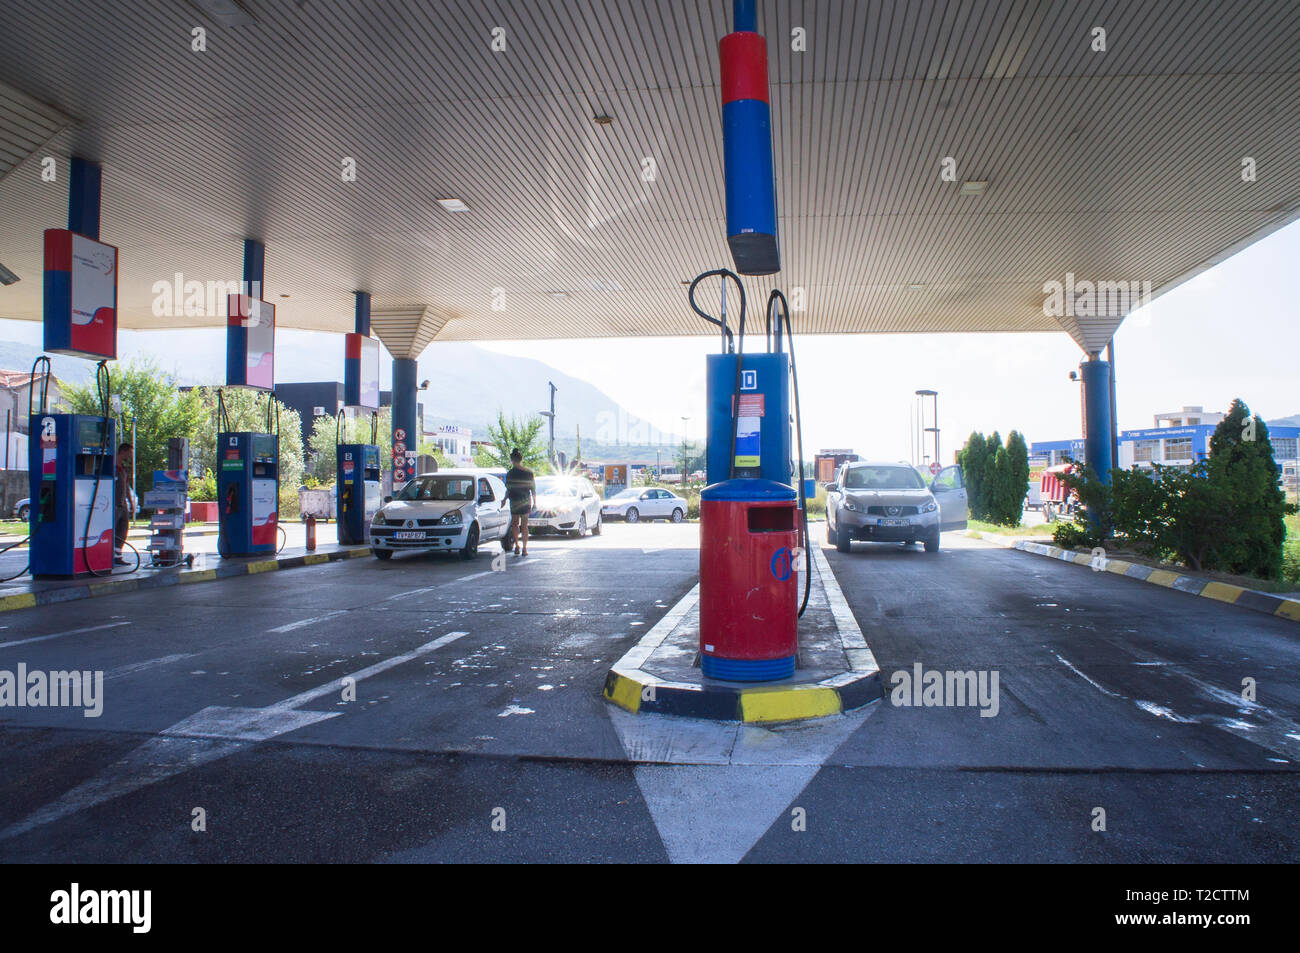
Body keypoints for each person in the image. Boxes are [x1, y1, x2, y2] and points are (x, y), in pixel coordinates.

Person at [504, 448, 536, 556]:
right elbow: (533, 489)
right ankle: (525, 548)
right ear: (521, 459)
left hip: (514, 500)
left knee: (515, 524)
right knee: (524, 525)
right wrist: (535, 502)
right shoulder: (529, 473)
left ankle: (517, 545)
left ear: (512, 460)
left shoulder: (510, 473)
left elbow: (508, 489)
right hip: (526, 501)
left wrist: (504, 500)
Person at [114, 441, 133, 567]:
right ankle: (109, 554)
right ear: (123, 451)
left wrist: (130, 502)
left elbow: (126, 487)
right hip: (113, 503)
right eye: (130, 453)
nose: (130, 456)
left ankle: (117, 555)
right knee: (113, 528)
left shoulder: (124, 469)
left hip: (122, 503)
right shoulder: (111, 467)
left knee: (123, 529)